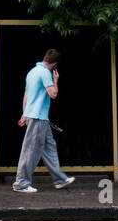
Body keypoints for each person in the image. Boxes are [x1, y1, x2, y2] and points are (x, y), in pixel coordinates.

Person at [12, 48, 74, 193]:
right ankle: (21, 183)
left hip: (35, 116)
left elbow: (26, 95)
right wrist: (56, 80)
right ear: (54, 64)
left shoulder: (32, 72)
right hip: (38, 117)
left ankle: (59, 179)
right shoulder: (45, 73)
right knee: (31, 151)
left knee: (49, 146)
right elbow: (53, 94)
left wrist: (24, 114)